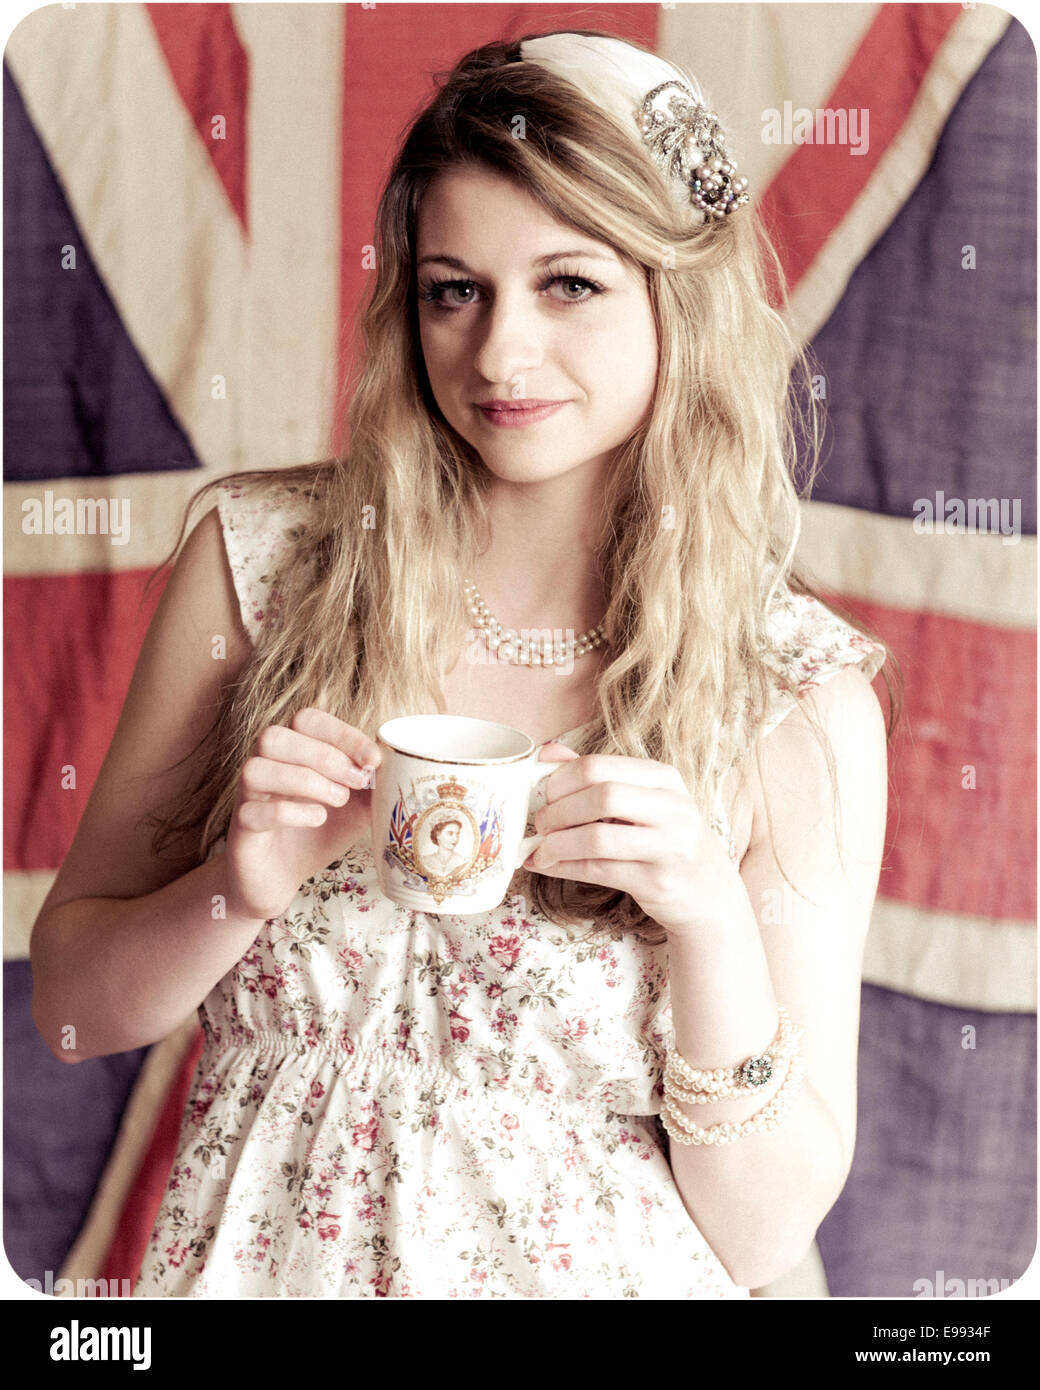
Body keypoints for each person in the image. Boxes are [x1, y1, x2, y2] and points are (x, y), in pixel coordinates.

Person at [29, 29, 900, 1298]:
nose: (497, 354)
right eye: (455, 291)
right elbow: (69, 1009)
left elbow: (761, 1240)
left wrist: (710, 918)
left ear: (680, 296)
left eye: (568, 284)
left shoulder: (793, 691)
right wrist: (239, 888)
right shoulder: (262, 563)